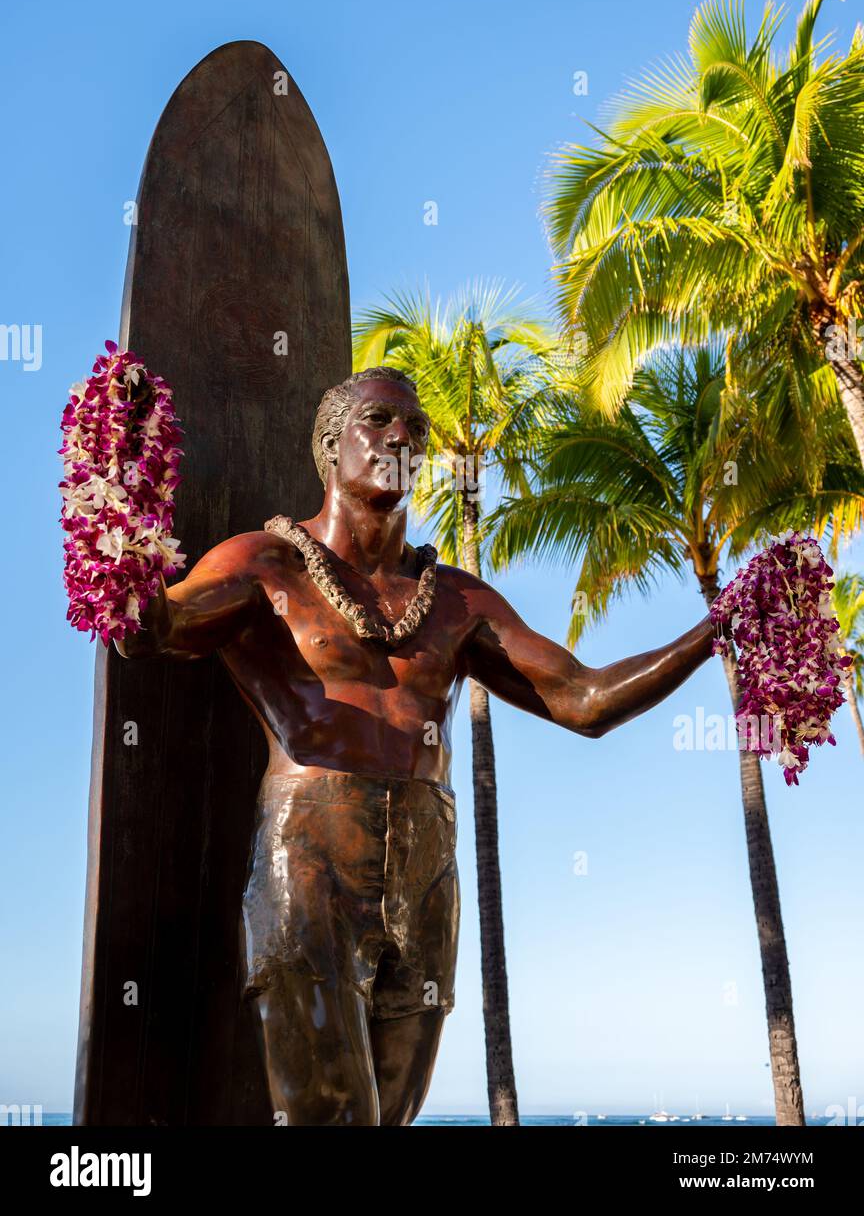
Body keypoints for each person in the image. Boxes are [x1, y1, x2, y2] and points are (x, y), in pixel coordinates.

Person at [117, 365, 717, 1126]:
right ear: (331, 447)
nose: (403, 435)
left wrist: (714, 629)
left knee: (392, 1117)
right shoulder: (268, 566)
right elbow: (152, 629)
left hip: (429, 867)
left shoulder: (458, 599)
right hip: (311, 853)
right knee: (334, 1117)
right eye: (380, 421)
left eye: (416, 429)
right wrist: (122, 474)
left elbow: (583, 700)